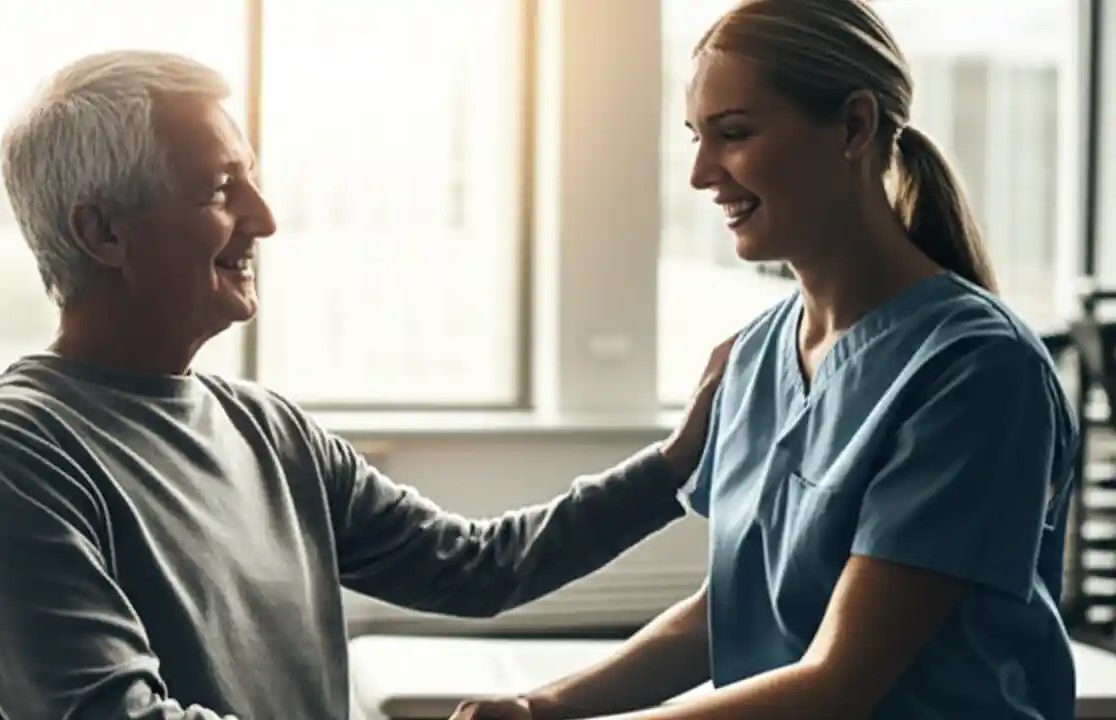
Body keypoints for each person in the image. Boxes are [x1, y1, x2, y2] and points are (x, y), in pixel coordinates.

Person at [0, 50, 732, 720]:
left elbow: (478, 566)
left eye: (253, 179)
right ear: (101, 231)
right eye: (218, 189)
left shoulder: (267, 429)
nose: (265, 218)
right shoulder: (8, 452)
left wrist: (672, 466)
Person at [451, 1, 1079, 719]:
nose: (698, 173)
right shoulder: (752, 357)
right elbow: (728, 611)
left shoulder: (976, 371)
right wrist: (541, 707)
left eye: (734, 134)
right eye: (695, 137)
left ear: (854, 127)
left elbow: (835, 681)